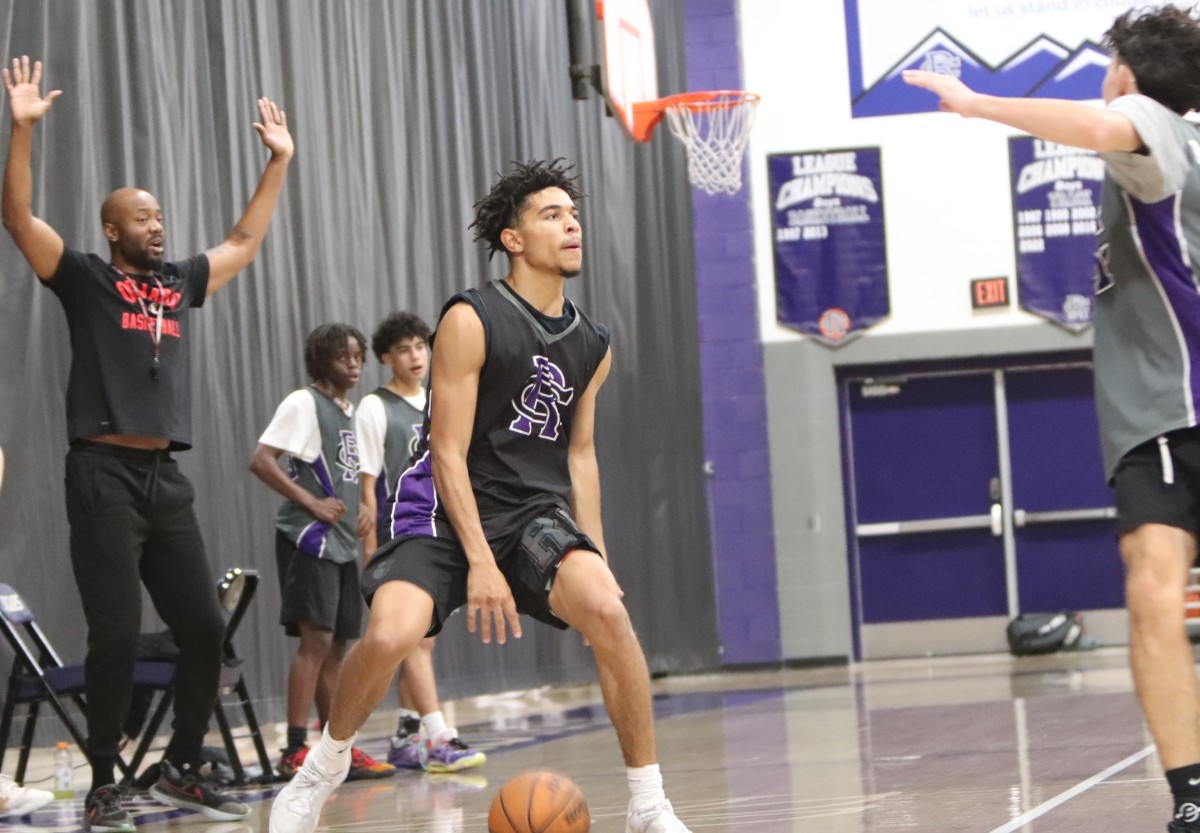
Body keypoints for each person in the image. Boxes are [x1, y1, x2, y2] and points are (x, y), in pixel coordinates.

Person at [270, 159, 692, 833]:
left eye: (573, 213)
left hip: (531, 513)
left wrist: (596, 552)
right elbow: (446, 450)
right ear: (513, 239)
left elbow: (579, 454)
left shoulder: (593, 344)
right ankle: (324, 765)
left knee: (610, 613)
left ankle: (648, 803)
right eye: (550, 215)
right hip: (440, 505)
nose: (570, 222)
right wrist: (482, 562)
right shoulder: (472, 317)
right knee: (388, 634)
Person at [903, 7, 1200, 832]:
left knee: (1153, 592)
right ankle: (1194, 795)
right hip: (1155, 420)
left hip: (1183, 411)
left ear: (1127, 77)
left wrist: (975, 103)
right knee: (1151, 591)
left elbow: (1108, 125)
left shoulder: (1156, 131)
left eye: (1107, 69)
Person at [1, 56, 293, 831]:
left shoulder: (176, 285)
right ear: (111, 228)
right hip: (101, 470)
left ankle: (182, 764)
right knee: (117, 631)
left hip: (165, 476)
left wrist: (278, 162)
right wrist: (21, 133)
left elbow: (242, 242)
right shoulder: (87, 279)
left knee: (204, 627)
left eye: (160, 215)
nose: (157, 224)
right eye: (141, 217)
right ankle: (104, 780)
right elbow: (22, 222)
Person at [249, 324, 396, 783]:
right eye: (342, 357)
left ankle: (338, 751)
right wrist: (310, 501)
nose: (353, 365)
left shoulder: (349, 411)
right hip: (308, 538)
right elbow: (261, 459)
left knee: (338, 648)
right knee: (314, 643)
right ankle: (294, 750)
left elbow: (348, 476)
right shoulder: (302, 403)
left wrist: (363, 511)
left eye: (357, 357)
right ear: (321, 362)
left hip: (342, 542)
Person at [356, 311, 486, 773]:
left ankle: (405, 733)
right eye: (404, 349)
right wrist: (372, 550)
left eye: (420, 346)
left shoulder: (441, 398)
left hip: (439, 526)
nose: (415, 356)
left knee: (422, 639)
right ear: (387, 358)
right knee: (412, 640)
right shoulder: (375, 408)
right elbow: (369, 486)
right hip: (399, 527)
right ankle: (439, 736)